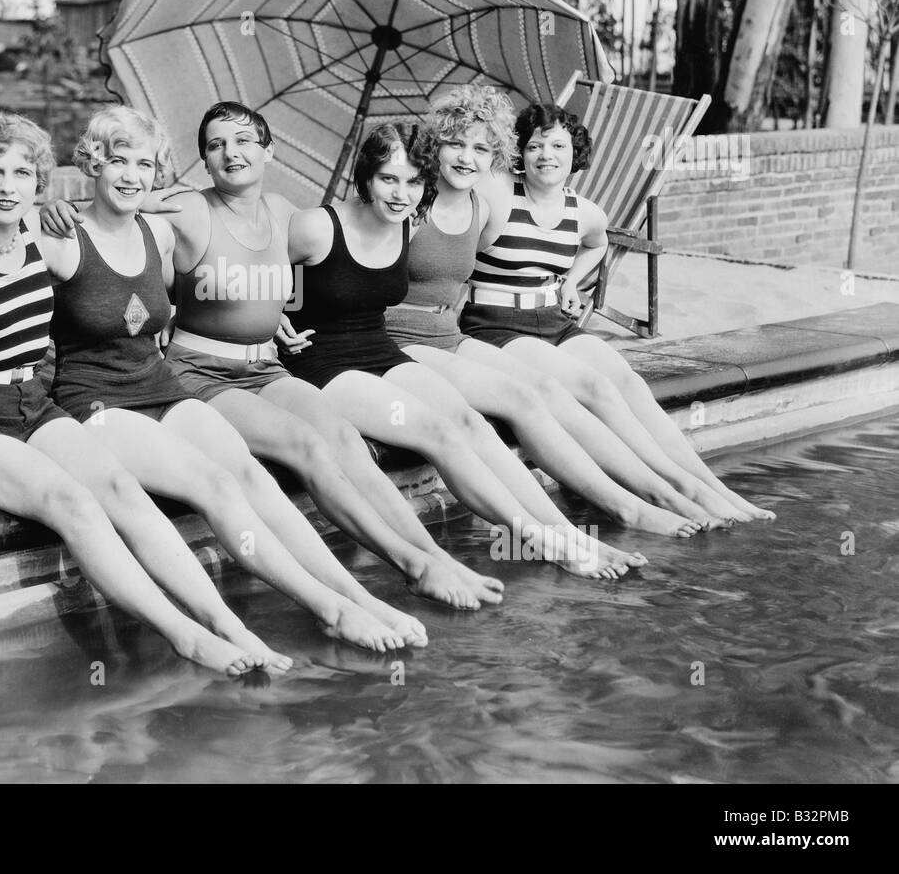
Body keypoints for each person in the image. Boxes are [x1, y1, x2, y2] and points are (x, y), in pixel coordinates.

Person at [0, 105, 424, 653]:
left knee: (247, 478)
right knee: (211, 486)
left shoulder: (157, 232)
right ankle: (318, 609)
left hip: (161, 386)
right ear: (92, 163)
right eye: (116, 161)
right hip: (97, 404)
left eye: (143, 163)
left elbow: (179, 285)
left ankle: (354, 596)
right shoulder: (55, 235)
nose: (130, 174)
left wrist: (272, 316)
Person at [0, 108, 282, 678]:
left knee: (120, 486)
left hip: (31, 403)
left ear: (39, 183)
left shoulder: (43, 236)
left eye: (23, 174)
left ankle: (229, 623)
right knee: (71, 501)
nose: (8, 186)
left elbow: (134, 210)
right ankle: (184, 637)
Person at [42, 101, 504, 609]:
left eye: (242, 141)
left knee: (344, 437)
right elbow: (121, 208)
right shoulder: (190, 208)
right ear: (204, 160)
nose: (230, 153)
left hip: (267, 365)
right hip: (201, 370)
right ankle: (410, 565)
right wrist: (54, 210)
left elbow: (304, 273)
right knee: (306, 445)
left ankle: (432, 556)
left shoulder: (286, 213)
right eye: (215, 145)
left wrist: (282, 310)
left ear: (269, 150)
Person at [281, 121, 647, 579]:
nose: (401, 192)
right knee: (437, 433)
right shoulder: (317, 225)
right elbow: (252, 260)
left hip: (380, 348)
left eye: (414, 181)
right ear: (365, 177)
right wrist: (271, 315)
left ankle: (565, 533)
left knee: (469, 422)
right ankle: (539, 541)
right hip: (322, 360)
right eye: (388, 178)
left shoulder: (407, 224)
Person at [384, 86, 721, 536]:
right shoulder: (426, 201)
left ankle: (683, 485)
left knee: (595, 386)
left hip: (465, 330)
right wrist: (293, 306)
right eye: (455, 144)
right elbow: (344, 248)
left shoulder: (486, 206)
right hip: (457, 331)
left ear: (495, 156)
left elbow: (589, 241)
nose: (467, 158)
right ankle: (636, 503)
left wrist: (567, 281)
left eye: (481, 149)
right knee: (546, 391)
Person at [462, 102, 777, 524]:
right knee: (596, 387)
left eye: (558, 145)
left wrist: (571, 281)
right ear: (520, 151)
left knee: (627, 380)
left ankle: (709, 484)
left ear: (577, 154)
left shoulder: (585, 212)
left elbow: (598, 244)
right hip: (496, 324)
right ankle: (670, 489)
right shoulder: (500, 191)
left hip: (554, 320)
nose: (546, 155)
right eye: (535, 145)